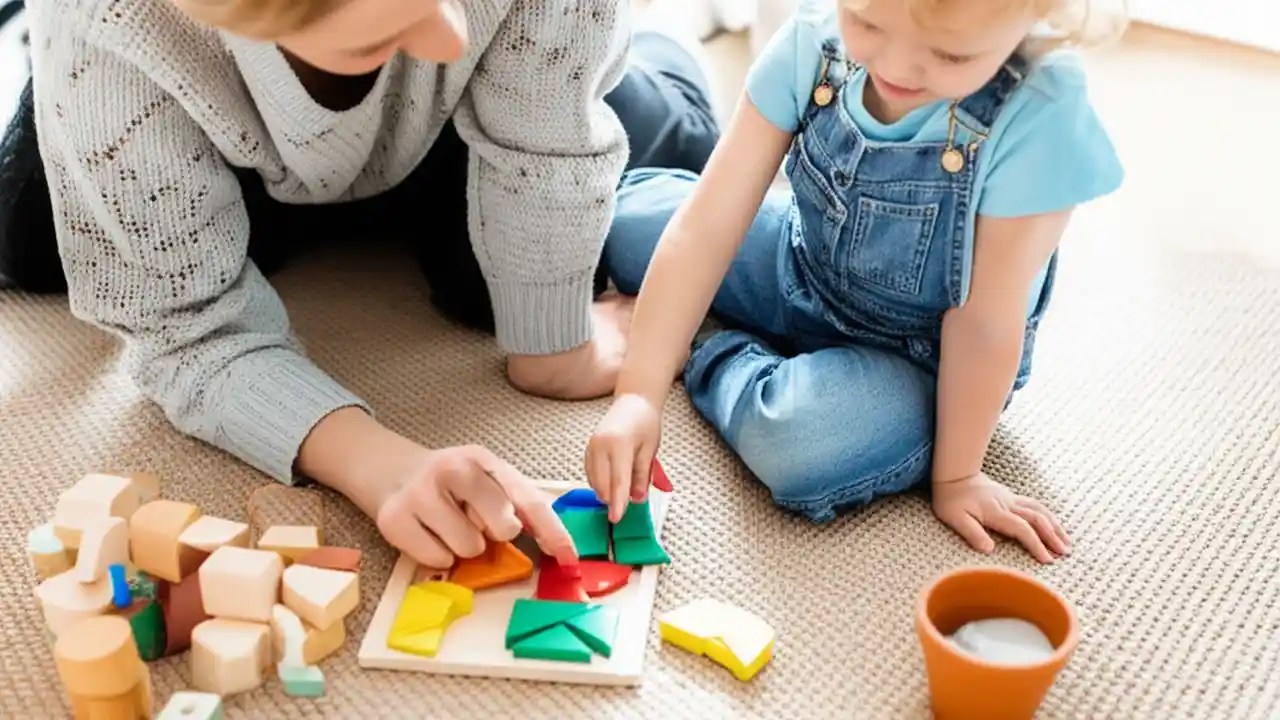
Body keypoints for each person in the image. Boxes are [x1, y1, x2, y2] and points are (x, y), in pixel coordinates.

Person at [18, 0, 720, 569]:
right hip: (216, 125)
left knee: (671, 158)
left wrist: (555, 345)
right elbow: (186, 328)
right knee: (31, 239)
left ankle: (660, 47)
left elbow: (545, 144)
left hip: (476, 95)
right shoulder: (101, 30)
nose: (448, 36)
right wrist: (376, 464)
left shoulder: (446, 39)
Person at [585, 0, 1126, 563]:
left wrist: (958, 477)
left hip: (925, 362)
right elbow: (705, 226)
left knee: (801, 444)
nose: (897, 68)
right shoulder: (812, 42)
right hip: (803, 267)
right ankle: (712, 335)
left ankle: (708, 351)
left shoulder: (1042, 113)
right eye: (867, 23)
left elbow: (985, 324)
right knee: (622, 222)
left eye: (949, 54)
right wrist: (638, 396)